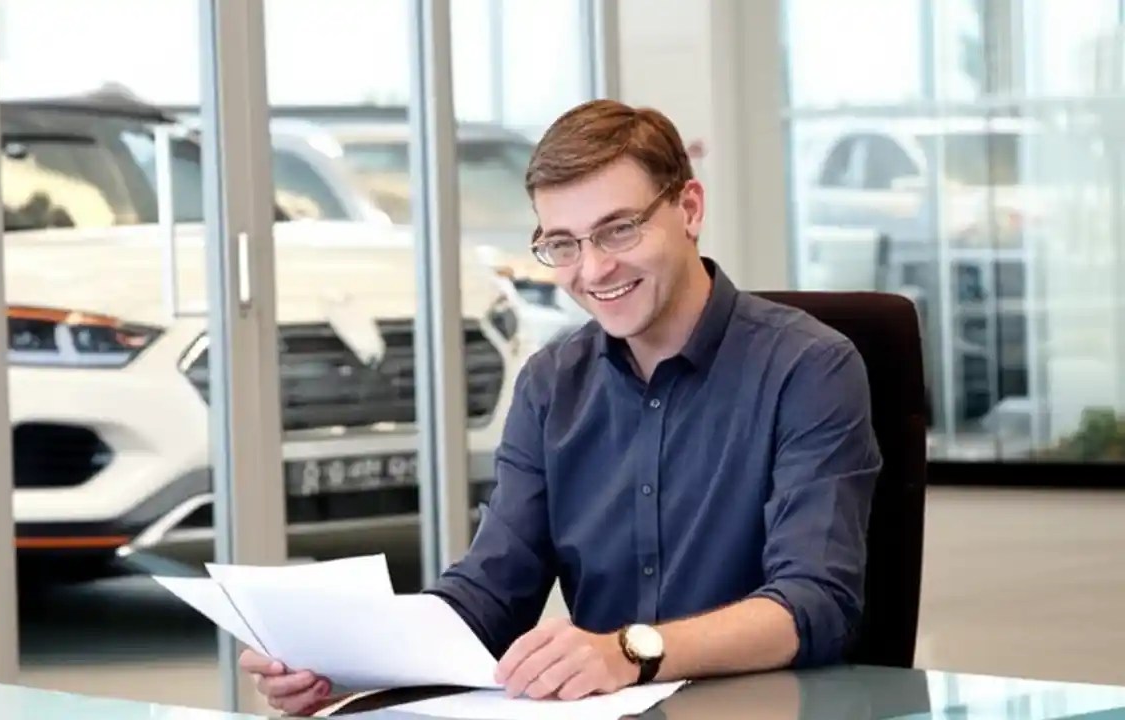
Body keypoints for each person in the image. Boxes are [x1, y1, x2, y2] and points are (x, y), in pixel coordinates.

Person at [241, 99, 882, 715]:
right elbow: (493, 590)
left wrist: (629, 651)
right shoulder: (551, 384)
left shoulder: (810, 367)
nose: (594, 269)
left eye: (618, 230)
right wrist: (347, 662)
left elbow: (814, 601)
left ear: (688, 208)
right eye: (563, 244)